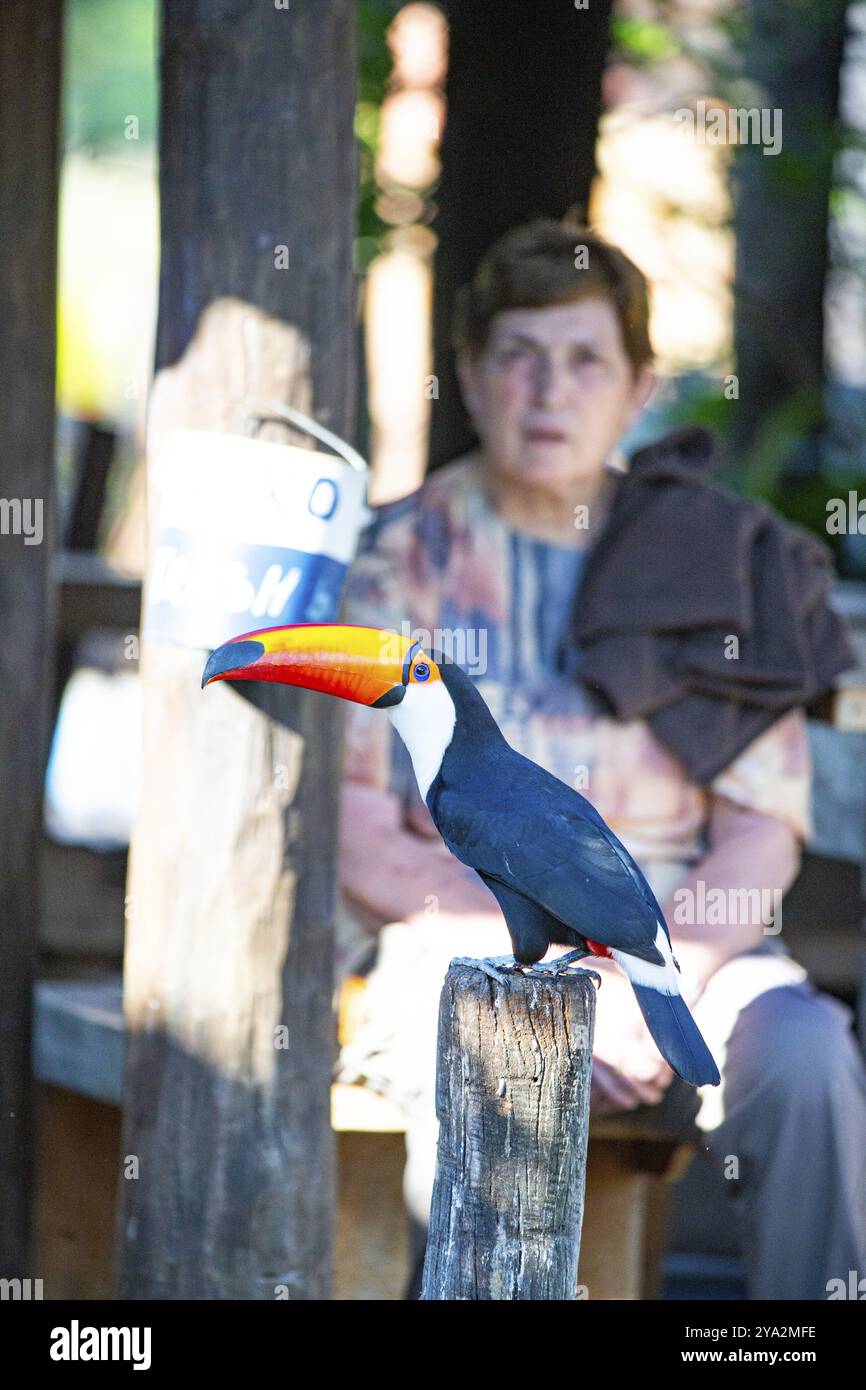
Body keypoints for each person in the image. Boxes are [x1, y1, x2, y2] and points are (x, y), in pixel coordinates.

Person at [334, 218, 866, 1300]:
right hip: (460, 938)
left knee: (804, 1056)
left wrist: (642, 979)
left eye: (583, 360)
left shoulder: (720, 564)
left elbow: (760, 831)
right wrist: (541, 973)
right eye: (517, 356)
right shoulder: (398, 561)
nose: (547, 390)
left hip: (677, 947)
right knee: (471, 1046)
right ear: (470, 376)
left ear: (636, 389)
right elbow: (355, 832)